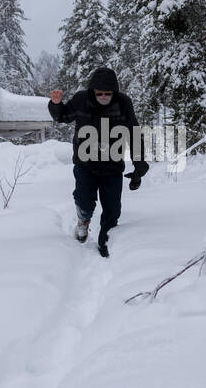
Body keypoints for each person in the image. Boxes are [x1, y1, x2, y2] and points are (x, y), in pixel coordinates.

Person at [48, 67, 149, 257]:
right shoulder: (81, 100)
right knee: (84, 201)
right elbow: (63, 117)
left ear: (115, 93)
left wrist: (139, 165)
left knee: (112, 210)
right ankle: (83, 222)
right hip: (85, 165)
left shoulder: (123, 103)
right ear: (92, 91)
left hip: (112, 167)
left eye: (107, 93)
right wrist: (56, 104)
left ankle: (106, 246)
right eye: (99, 93)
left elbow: (134, 133)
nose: (103, 96)